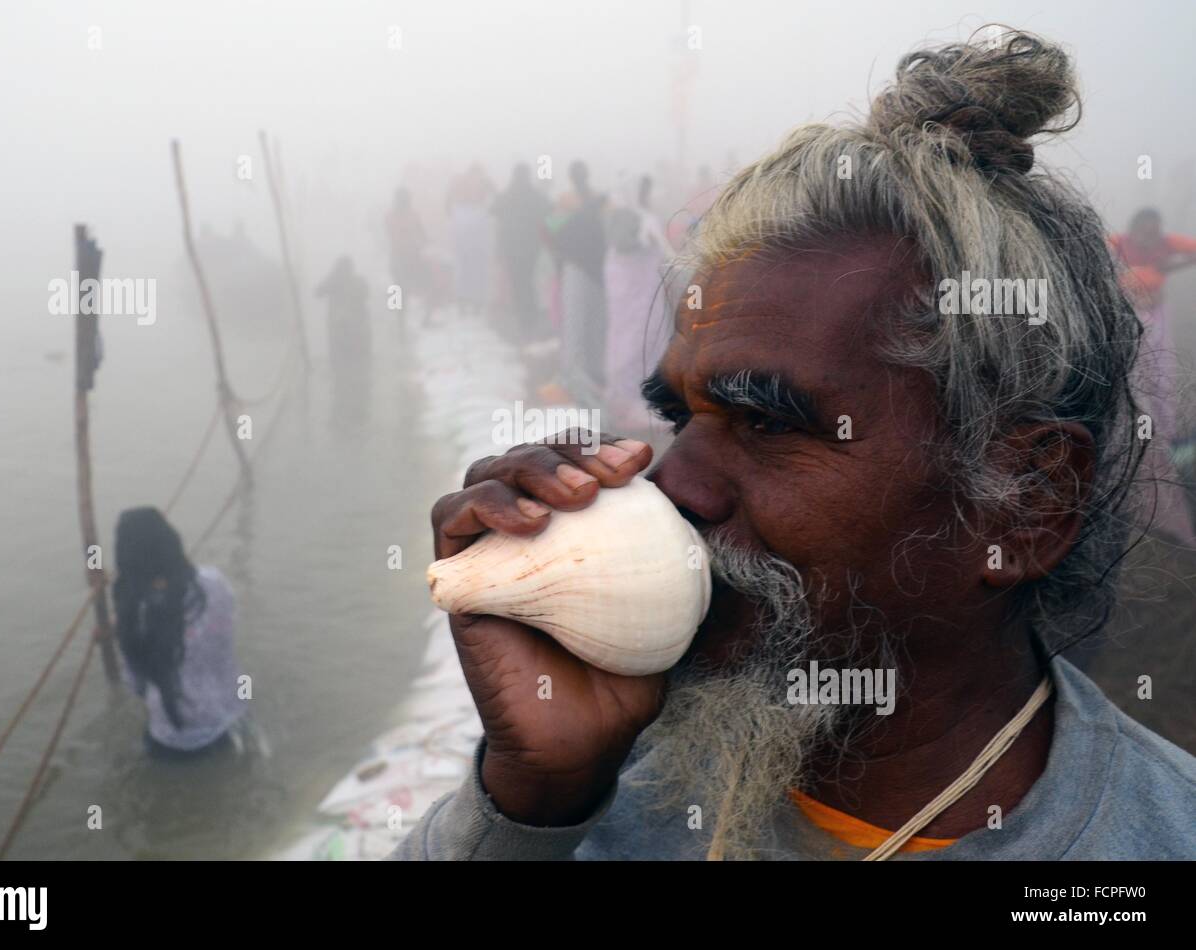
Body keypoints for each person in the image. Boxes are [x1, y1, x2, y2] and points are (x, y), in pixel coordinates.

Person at [390, 30, 1196, 861]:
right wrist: (533, 801)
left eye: (769, 424)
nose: (672, 486)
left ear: (1029, 500)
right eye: (678, 418)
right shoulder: (591, 792)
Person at [113, 507, 247, 758]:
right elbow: (225, 625)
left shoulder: (135, 613)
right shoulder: (215, 582)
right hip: (233, 712)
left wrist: (120, 629)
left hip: (176, 737)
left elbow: (136, 684)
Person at [1110, 208, 1196, 544]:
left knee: (1162, 375)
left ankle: (1164, 432)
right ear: (1134, 229)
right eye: (1143, 229)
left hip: (1155, 318)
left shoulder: (1165, 245)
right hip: (1130, 317)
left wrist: (1167, 266)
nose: (1148, 235)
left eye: (1153, 230)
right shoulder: (1120, 244)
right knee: (1134, 375)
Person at [603, 173, 674, 431]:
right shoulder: (633, 218)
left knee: (644, 338)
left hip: (643, 291)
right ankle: (631, 400)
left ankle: (636, 398)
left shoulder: (628, 216)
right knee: (635, 341)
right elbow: (659, 250)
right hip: (636, 293)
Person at [545, 160, 608, 406]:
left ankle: (576, 377)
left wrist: (560, 262)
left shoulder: (565, 201)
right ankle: (590, 375)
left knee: (576, 324)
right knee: (594, 323)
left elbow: (553, 234)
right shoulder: (597, 200)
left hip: (577, 269)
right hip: (594, 269)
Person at [491, 162, 551, 344]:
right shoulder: (535, 195)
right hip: (531, 246)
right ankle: (531, 318)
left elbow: (494, 211)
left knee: (518, 283)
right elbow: (549, 209)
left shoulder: (507, 195)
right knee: (528, 280)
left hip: (510, 246)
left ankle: (525, 321)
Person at [315, 255, 371, 424]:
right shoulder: (354, 282)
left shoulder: (339, 282)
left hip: (344, 331)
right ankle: (353, 402)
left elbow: (317, 292)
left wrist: (334, 280)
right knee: (352, 370)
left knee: (343, 371)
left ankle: (345, 403)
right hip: (351, 332)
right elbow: (317, 292)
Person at [446, 164, 496, 315]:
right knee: (479, 266)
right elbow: (496, 197)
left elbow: (447, 202)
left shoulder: (458, 181)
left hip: (459, 220)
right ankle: (477, 302)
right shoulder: (484, 181)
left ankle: (462, 302)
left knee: (462, 265)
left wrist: (453, 217)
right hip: (479, 220)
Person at [385, 187, 433, 325]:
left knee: (397, 288)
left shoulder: (389, 216)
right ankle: (426, 317)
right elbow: (422, 234)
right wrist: (425, 242)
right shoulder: (413, 215)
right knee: (427, 283)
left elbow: (389, 234)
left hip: (396, 257)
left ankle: (398, 320)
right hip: (413, 256)